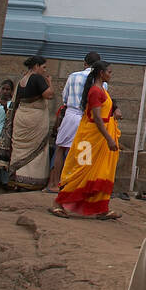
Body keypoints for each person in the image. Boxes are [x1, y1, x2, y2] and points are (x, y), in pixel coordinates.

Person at [51, 62, 121, 219]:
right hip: (89, 139)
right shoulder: (96, 91)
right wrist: (109, 138)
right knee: (80, 171)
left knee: (99, 171)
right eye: (109, 72)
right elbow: (96, 118)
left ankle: (101, 208)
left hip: (97, 138)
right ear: (101, 73)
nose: (110, 75)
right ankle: (58, 203)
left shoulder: (101, 90)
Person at [47, 50, 102, 193]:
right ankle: (79, 185)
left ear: (85, 64)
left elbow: (65, 98)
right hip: (87, 118)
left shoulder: (73, 76)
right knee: (85, 150)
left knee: (60, 148)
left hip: (71, 115)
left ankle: (55, 183)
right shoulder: (100, 82)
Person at [9, 56, 55, 189]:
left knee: (20, 149)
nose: (45, 70)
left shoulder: (22, 79)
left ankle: (16, 179)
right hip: (34, 118)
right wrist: (50, 82)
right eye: (44, 67)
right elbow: (49, 95)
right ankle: (30, 182)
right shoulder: (37, 78)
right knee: (36, 150)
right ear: (36, 66)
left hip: (21, 117)